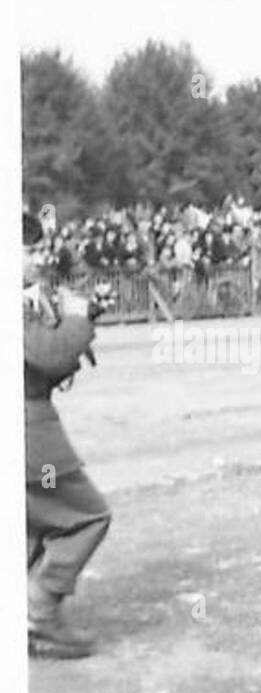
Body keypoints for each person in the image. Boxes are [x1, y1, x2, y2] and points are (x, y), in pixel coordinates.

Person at [23, 211, 112, 659]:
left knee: (31, 525)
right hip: (30, 434)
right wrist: (77, 320)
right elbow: (50, 356)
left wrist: (83, 316)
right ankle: (39, 612)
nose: (39, 258)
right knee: (85, 516)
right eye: (28, 248)